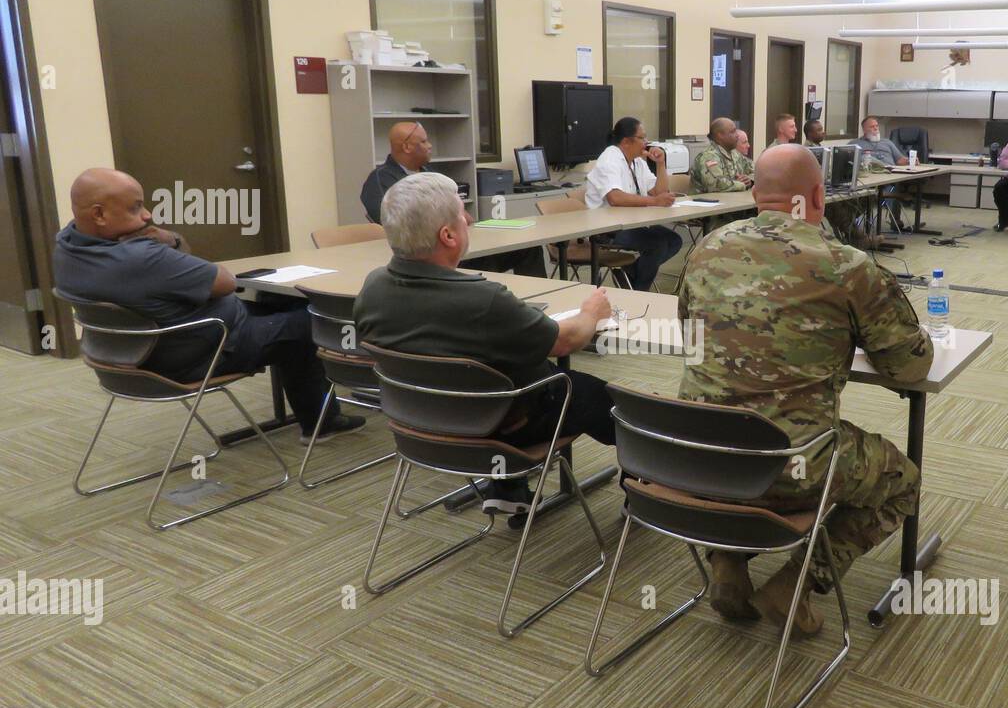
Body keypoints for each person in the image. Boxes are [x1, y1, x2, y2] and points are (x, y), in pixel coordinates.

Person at [677, 144, 934, 635]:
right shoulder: (847, 265)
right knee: (901, 482)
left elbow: (691, 338)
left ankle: (727, 563)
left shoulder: (706, 249)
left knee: (737, 438)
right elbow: (908, 369)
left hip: (700, 454)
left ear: (754, 193)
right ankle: (796, 583)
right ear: (818, 196)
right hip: (791, 464)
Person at [354, 172, 616, 518]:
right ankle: (643, 492)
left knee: (487, 368)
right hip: (497, 424)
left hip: (420, 423)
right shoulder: (484, 300)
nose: (470, 219)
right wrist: (591, 312)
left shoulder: (372, 288)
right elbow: (567, 341)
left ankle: (507, 485)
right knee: (611, 402)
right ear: (447, 235)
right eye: (463, 212)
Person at [53, 168, 363, 444]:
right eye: (136, 208)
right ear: (99, 215)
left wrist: (161, 240)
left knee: (275, 301)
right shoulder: (142, 258)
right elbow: (225, 281)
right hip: (205, 350)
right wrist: (165, 240)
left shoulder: (67, 245)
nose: (147, 215)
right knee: (309, 320)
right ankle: (323, 423)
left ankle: (313, 411)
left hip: (134, 354)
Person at [361, 122, 546, 277]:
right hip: (426, 258)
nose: (430, 145)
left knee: (528, 247)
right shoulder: (379, 180)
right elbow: (393, 223)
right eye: (424, 141)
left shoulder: (430, 173)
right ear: (407, 147)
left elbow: (464, 216)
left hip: (456, 247)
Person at [584, 117, 683, 291]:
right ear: (626, 141)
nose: (646, 142)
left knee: (674, 240)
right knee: (657, 244)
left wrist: (660, 164)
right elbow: (615, 198)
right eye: (642, 138)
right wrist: (654, 201)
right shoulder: (610, 159)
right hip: (609, 228)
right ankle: (640, 289)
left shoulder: (638, 161)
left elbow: (659, 192)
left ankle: (632, 273)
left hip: (634, 223)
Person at [852, 116, 908, 232]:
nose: (876, 128)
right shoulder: (856, 144)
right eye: (872, 126)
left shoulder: (887, 142)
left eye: (876, 126)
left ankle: (895, 221)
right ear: (864, 129)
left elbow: (899, 160)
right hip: (868, 178)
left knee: (894, 186)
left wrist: (911, 160)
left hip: (889, 177)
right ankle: (852, 223)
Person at [690, 117, 754, 193]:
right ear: (720, 135)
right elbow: (716, 185)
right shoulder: (709, 156)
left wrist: (750, 180)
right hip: (710, 202)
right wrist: (742, 184)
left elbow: (759, 171)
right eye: (733, 132)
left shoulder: (734, 154)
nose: (737, 135)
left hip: (733, 200)